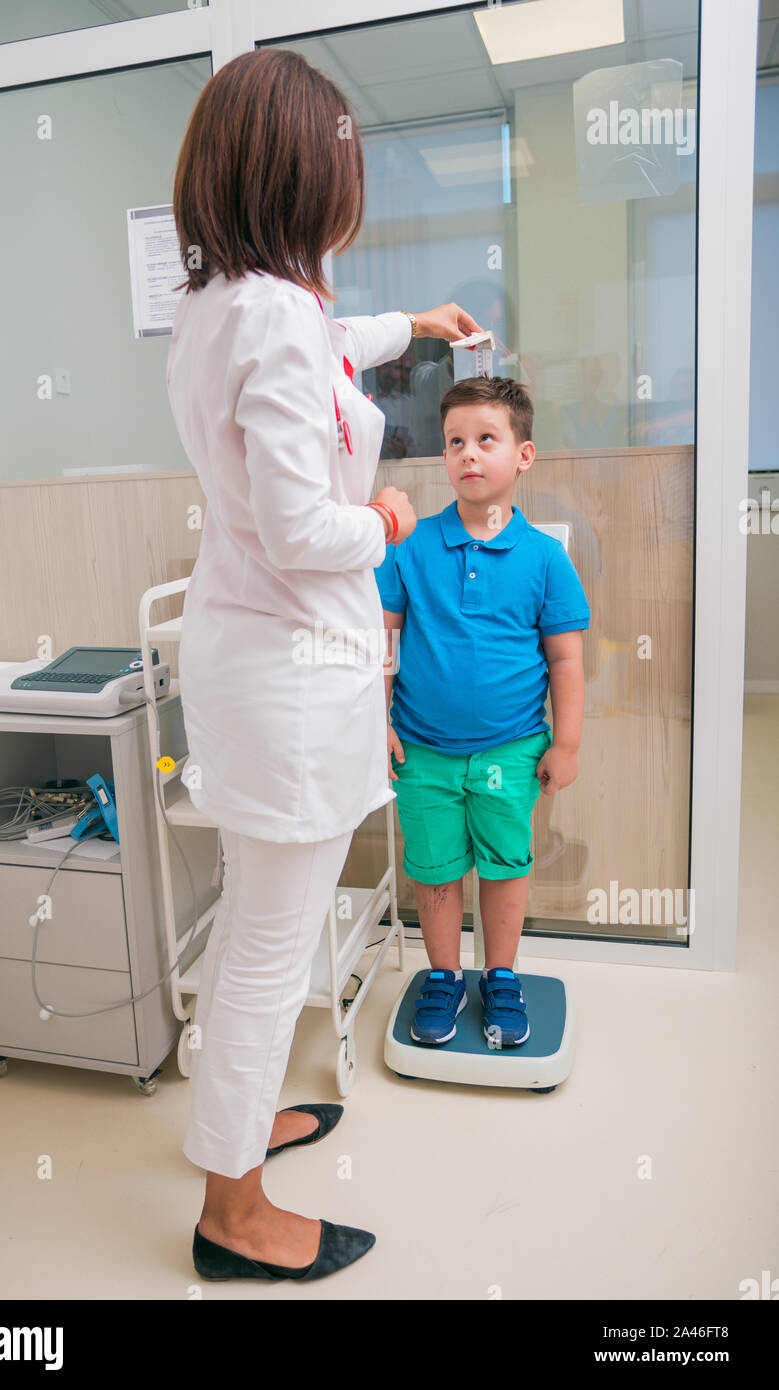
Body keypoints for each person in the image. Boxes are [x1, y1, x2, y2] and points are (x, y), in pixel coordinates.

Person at [165, 47, 482, 1284]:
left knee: (258, 916)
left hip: (248, 663)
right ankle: (229, 1212)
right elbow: (306, 531)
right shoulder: (275, 323)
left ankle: (235, 1130)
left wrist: (417, 325)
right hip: (289, 670)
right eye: (345, 165)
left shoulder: (229, 306)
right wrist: (391, 522)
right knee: (265, 942)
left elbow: (329, 336)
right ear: (304, 179)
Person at [375, 377, 590, 1047]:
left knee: (504, 867)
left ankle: (500, 975)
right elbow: (379, 645)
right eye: (455, 442)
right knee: (434, 873)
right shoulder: (409, 547)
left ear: (522, 455)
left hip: (512, 750)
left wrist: (568, 744)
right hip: (422, 752)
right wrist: (373, 721)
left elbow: (565, 661)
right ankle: (443, 977)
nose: (468, 454)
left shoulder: (545, 558)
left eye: (485, 440)